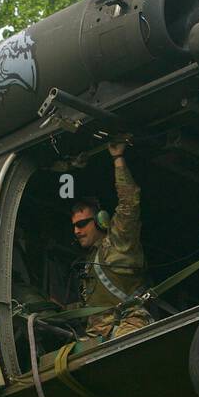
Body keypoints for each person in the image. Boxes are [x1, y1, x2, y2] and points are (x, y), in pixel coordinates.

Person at [69, 141, 151, 340]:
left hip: (128, 328)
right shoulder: (89, 263)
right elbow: (96, 308)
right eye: (74, 226)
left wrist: (118, 159)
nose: (76, 231)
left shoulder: (118, 242)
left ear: (100, 220)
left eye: (81, 224)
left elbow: (129, 203)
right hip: (96, 340)